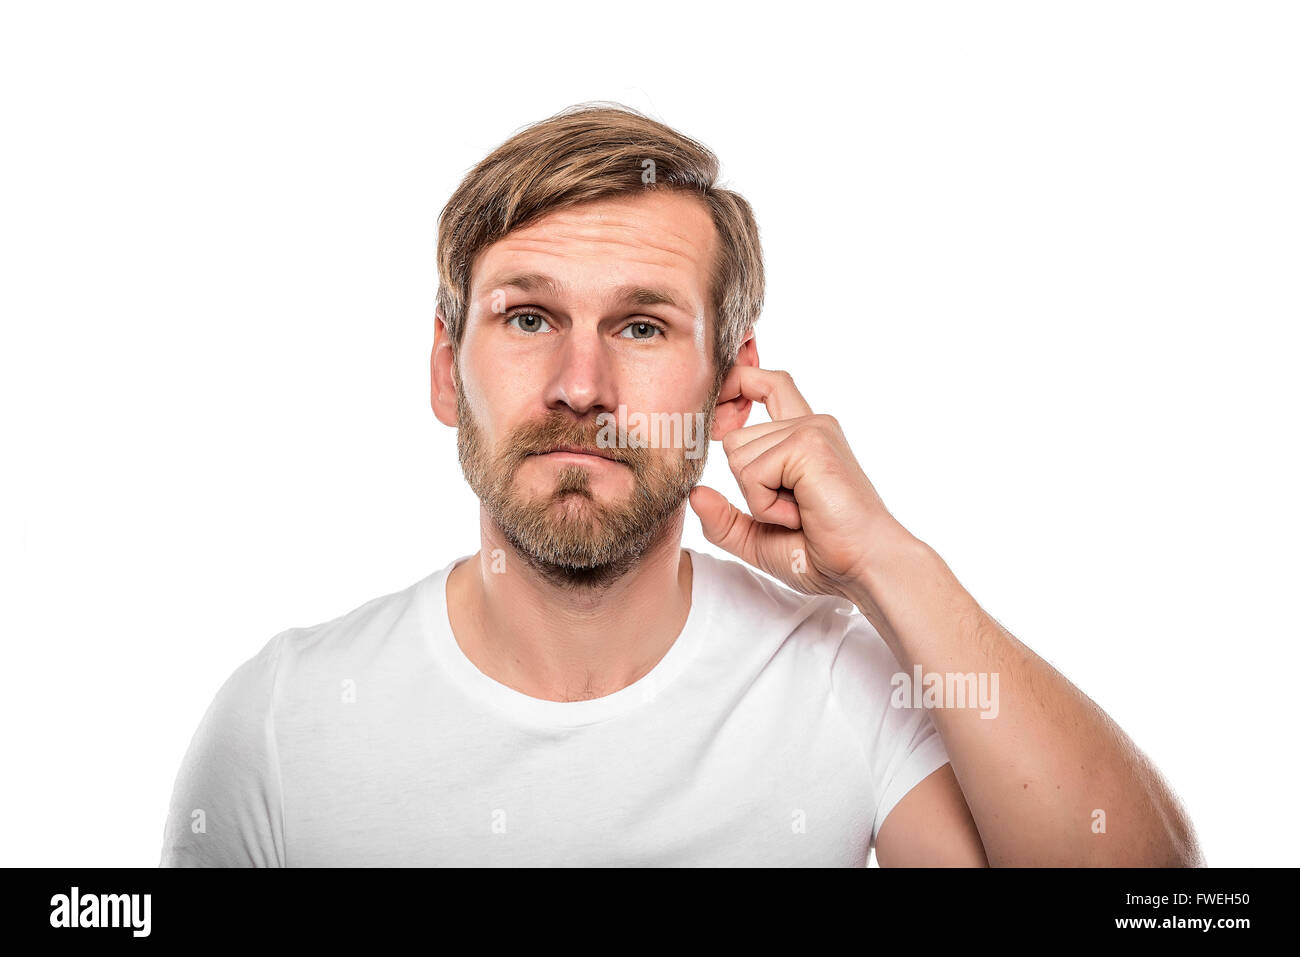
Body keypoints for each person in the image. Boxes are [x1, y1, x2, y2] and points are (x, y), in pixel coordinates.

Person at [160, 102, 1201, 867]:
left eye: (642, 326)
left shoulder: (841, 686)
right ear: (446, 369)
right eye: (529, 318)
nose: (581, 387)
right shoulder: (282, 720)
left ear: (727, 385)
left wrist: (885, 562)